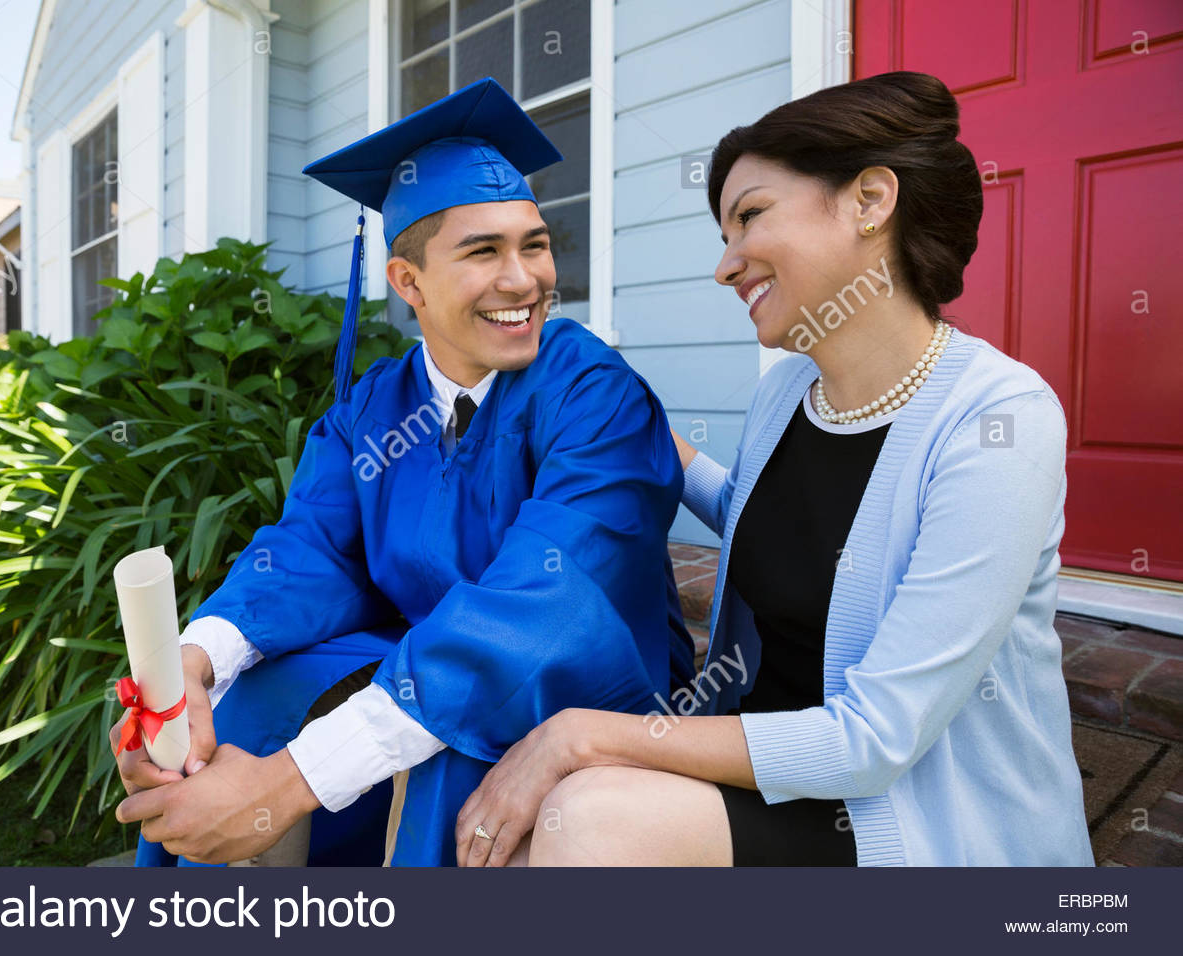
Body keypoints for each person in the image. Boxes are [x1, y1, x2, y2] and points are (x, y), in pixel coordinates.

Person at [453, 71, 1094, 867]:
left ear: (869, 200)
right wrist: (635, 429)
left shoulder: (998, 421)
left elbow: (874, 741)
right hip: (776, 765)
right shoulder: (790, 390)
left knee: (582, 818)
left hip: (908, 814)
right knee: (510, 828)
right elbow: (783, 523)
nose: (727, 267)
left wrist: (579, 737)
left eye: (750, 216)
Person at [110, 77, 694, 868]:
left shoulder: (591, 390)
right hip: (433, 652)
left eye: (535, 244)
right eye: (483, 252)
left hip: (581, 682)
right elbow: (312, 548)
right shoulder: (372, 409)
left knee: (446, 741)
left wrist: (289, 783)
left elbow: (553, 602)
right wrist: (200, 659)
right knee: (256, 698)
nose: (524, 281)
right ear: (407, 283)